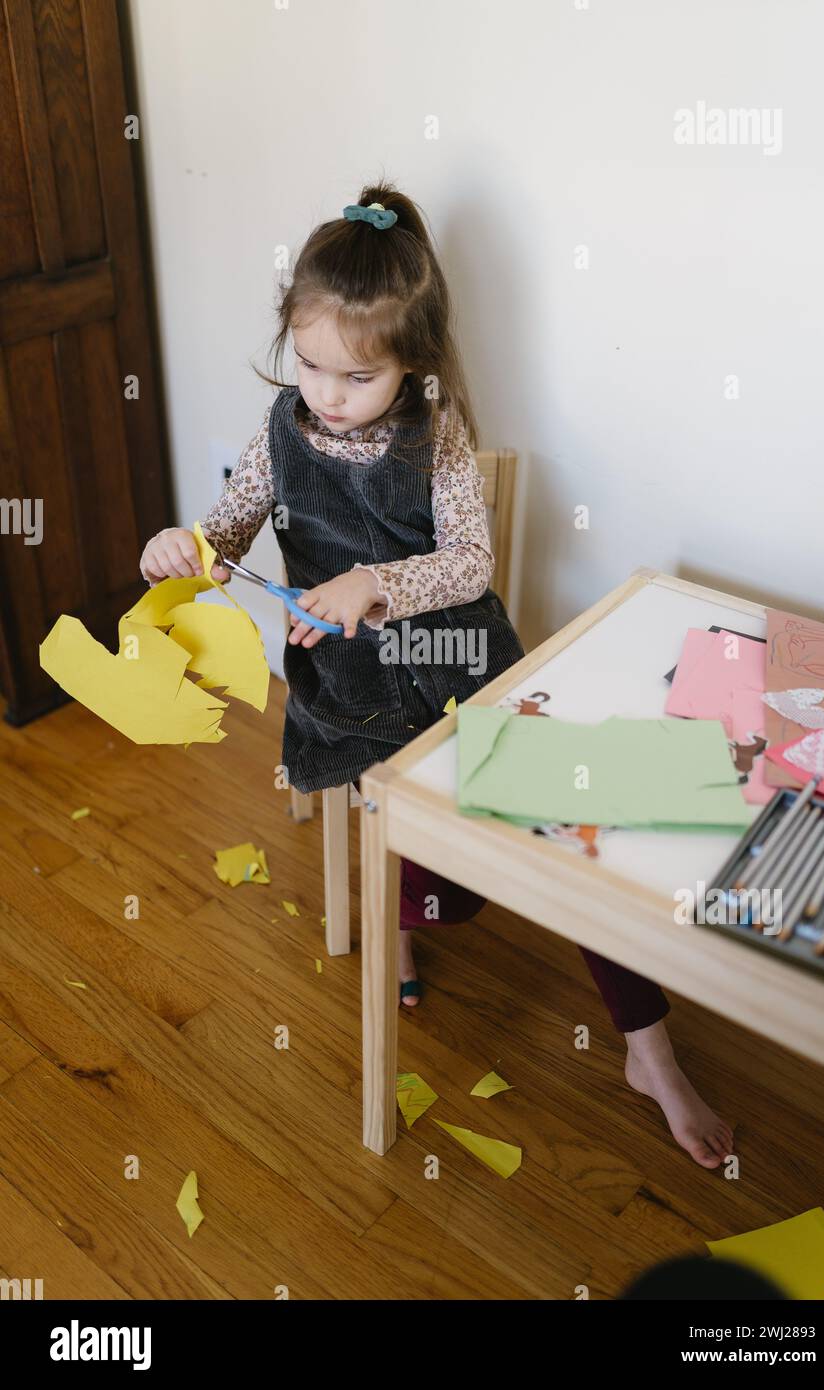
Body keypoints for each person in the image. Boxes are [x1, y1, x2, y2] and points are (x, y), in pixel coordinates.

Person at [140, 183, 734, 1170]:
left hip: (453, 655)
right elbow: (229, 523)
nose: (326, 393)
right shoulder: (284, 426)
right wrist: (186, 543)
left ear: (411, 360)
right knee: (445, 889)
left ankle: (648, 1052)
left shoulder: (437, 425)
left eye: (355, 376)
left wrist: (373, 581)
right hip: (349, 688)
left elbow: (469, 564)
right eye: (312, 365)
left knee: (564, 835)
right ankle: (401, 911)